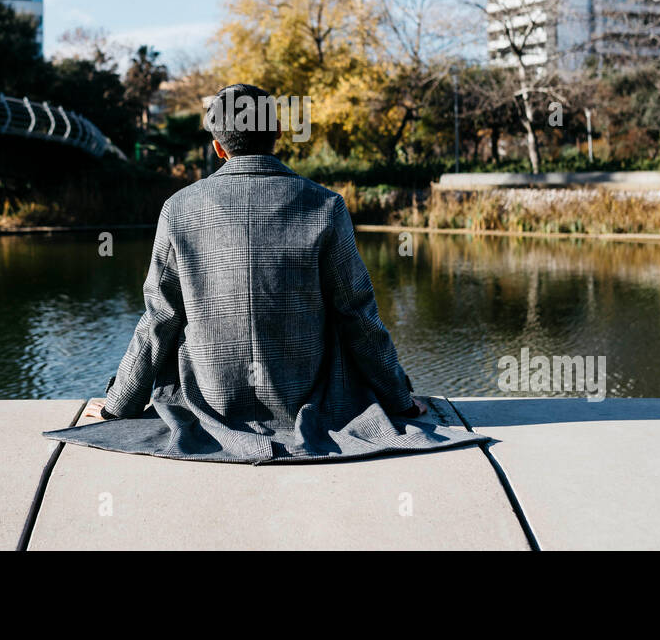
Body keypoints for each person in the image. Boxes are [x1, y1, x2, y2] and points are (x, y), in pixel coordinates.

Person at [44, 83, 482, 463]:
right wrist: (399, 399)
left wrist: (119, 405)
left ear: (218, 146)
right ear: (276, 136)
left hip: (212, 401)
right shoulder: (325, 205)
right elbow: (358, 316)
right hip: (304, 401)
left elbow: (160, 320)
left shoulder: (178, 209)